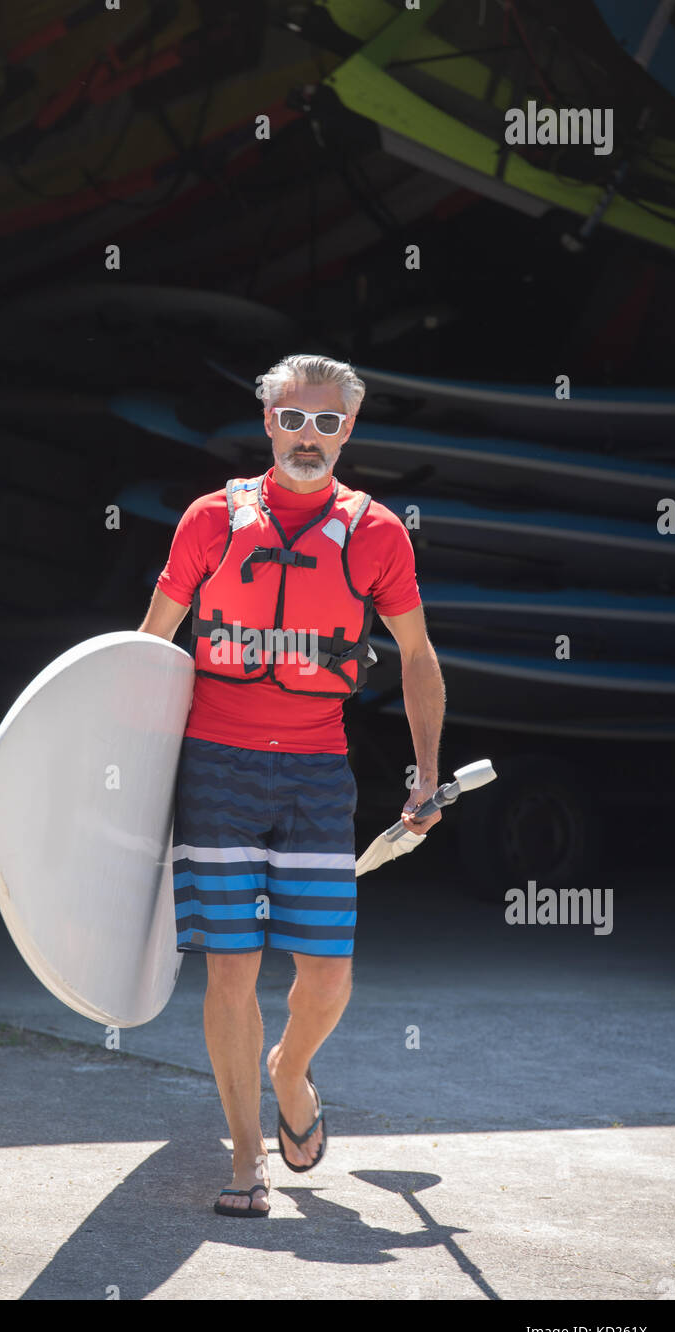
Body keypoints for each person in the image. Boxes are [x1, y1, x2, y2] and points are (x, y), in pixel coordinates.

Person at [138, 354, 445, 1216]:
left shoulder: (377, 531)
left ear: (349, 430)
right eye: (292, 419)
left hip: (316, 771)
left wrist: (423, 773)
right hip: (217, 766)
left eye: (327, 423)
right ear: (267, 421)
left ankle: (291, 1070)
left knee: (328, 972)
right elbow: (152, 645)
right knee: (231, 968)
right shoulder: (210, 520)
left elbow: (417, 658)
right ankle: (245, 1158)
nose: (308, 437)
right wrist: (123, 772)